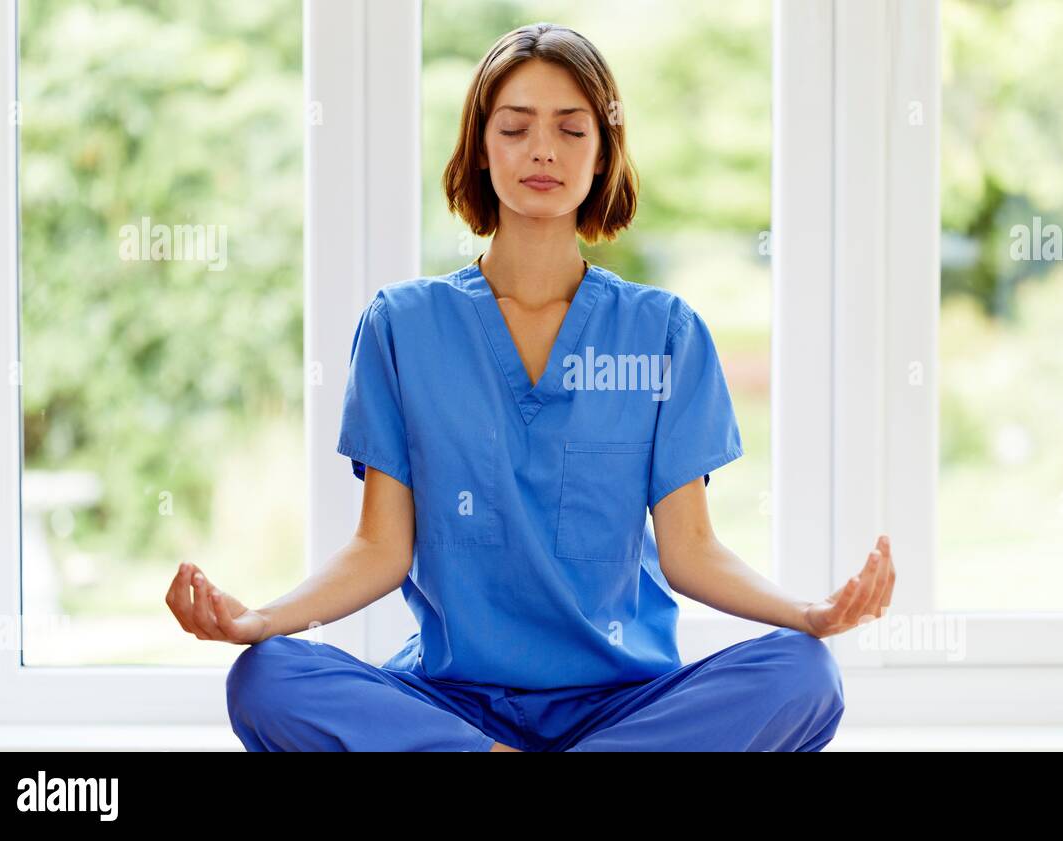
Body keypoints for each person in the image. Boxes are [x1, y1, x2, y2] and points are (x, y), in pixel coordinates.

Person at [165, 22, 895, 752]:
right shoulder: (402, 326)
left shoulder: (665, 331)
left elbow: (691, 550)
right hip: (456, 705)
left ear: (604, 151)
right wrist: (260, 620)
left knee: (804, 674)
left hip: (626, 702)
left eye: (572, 129)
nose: (542, 150)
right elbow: (379, 549)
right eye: (515, 128)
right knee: (266, 679)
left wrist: (808, 612)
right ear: (481, 149)